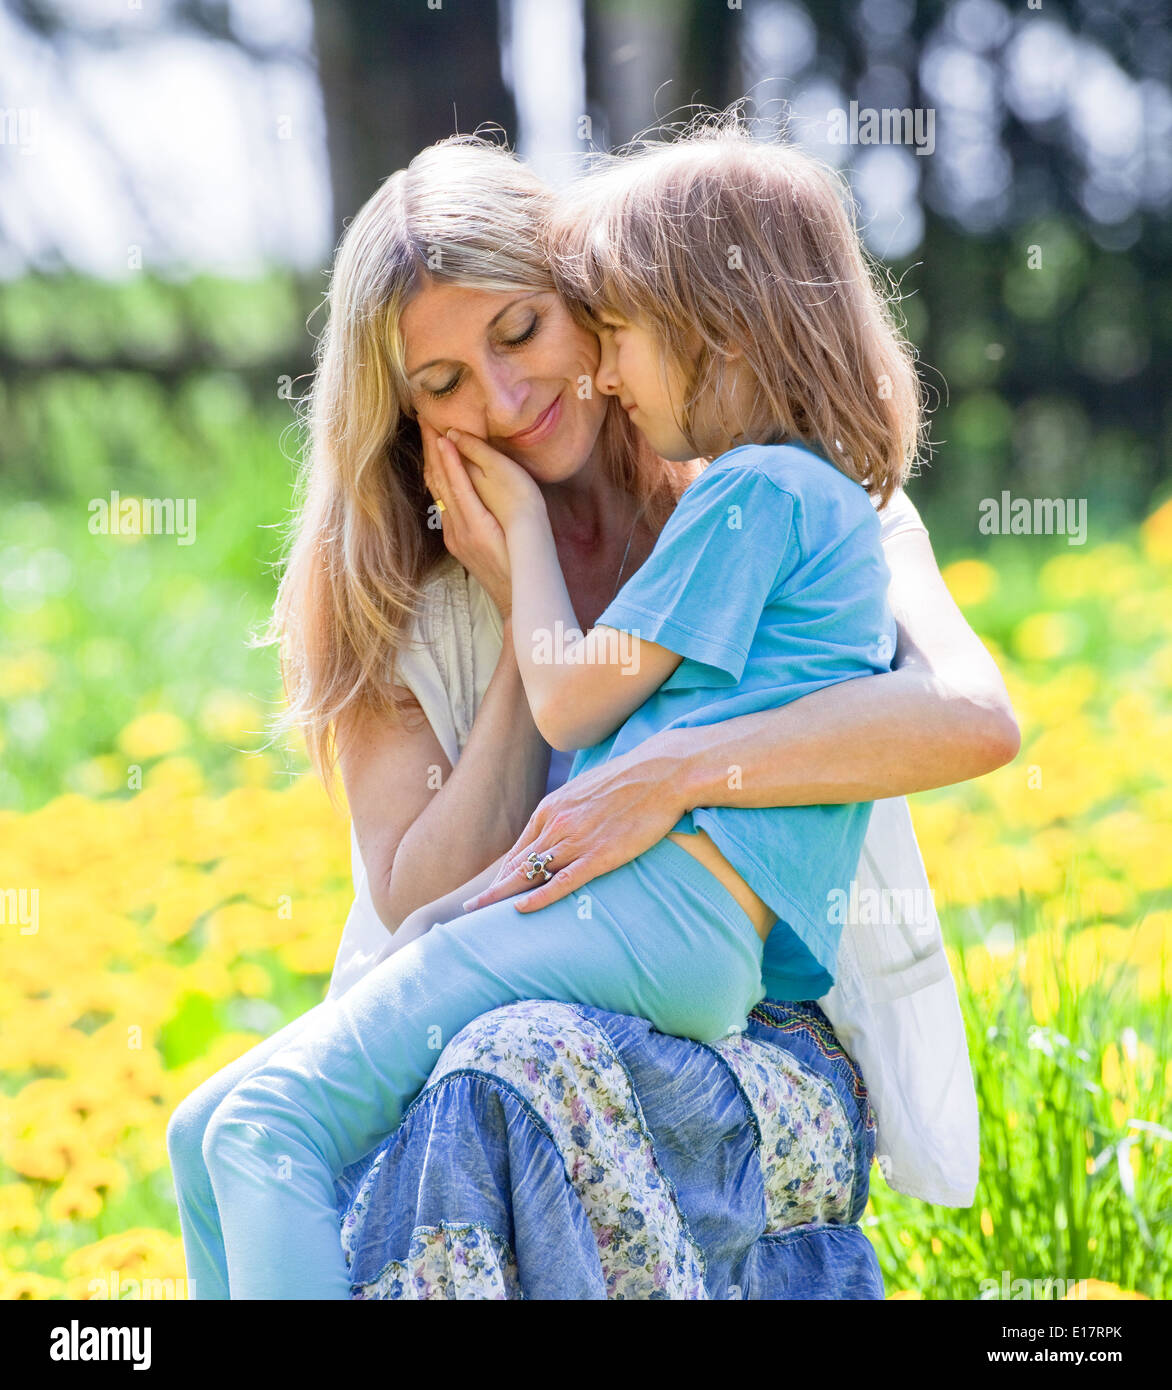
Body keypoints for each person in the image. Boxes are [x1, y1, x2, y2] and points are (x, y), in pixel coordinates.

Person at [167, 130, 1018, 1300]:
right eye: (442, 383)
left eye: (521, 333)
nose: (506, 402)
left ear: (600, 304)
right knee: (203, 1130)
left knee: (463, 1076)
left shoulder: (766, 485)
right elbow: (423, 882)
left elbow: (968, 717)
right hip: (531, 951)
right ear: (401, 414)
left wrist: (672, 772)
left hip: (710, 979)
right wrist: (528, 607)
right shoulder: (388, 577)